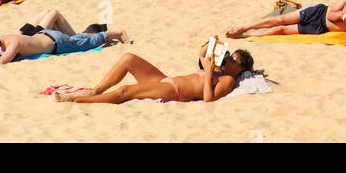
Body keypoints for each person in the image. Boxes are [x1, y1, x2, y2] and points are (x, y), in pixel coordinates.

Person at [56, 42, 256, 104]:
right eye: (229, 56)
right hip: (164, 80)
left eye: (233, 60)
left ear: (242, 69)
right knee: (128, 58)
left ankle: (77, 100)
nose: (228, 59)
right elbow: (202, 53)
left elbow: (208, 99)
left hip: (174, 91)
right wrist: (212, 45)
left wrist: (210, 70)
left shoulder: (228, 79)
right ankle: (95, 90)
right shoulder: (218, 70)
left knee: (125, 91)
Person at [0, 10, 127, 65]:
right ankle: (101, 32)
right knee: (81, 38)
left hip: (57, 42)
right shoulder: (5, 37)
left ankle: (115, 33)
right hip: (46, 35)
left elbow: (1, 61)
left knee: (88, 43)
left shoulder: (13, 43)